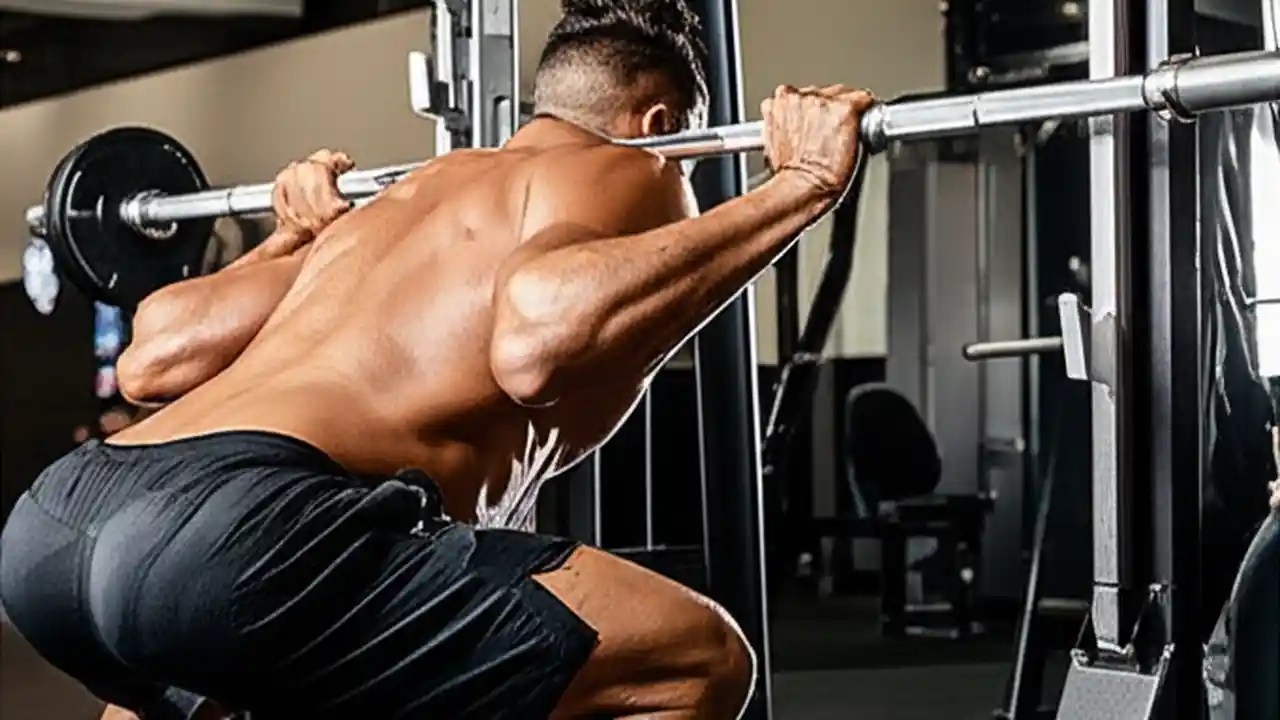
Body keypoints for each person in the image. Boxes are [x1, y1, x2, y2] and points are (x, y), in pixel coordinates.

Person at [0, 0, 874, 717]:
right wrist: (801, 186)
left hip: (61, 529)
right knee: (697, 661)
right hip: (243, 538)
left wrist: (293, 236)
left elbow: (155, 354)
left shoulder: (397, 204)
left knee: (211, 669)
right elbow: (537, 341)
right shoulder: (630, 164)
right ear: (659, 122)